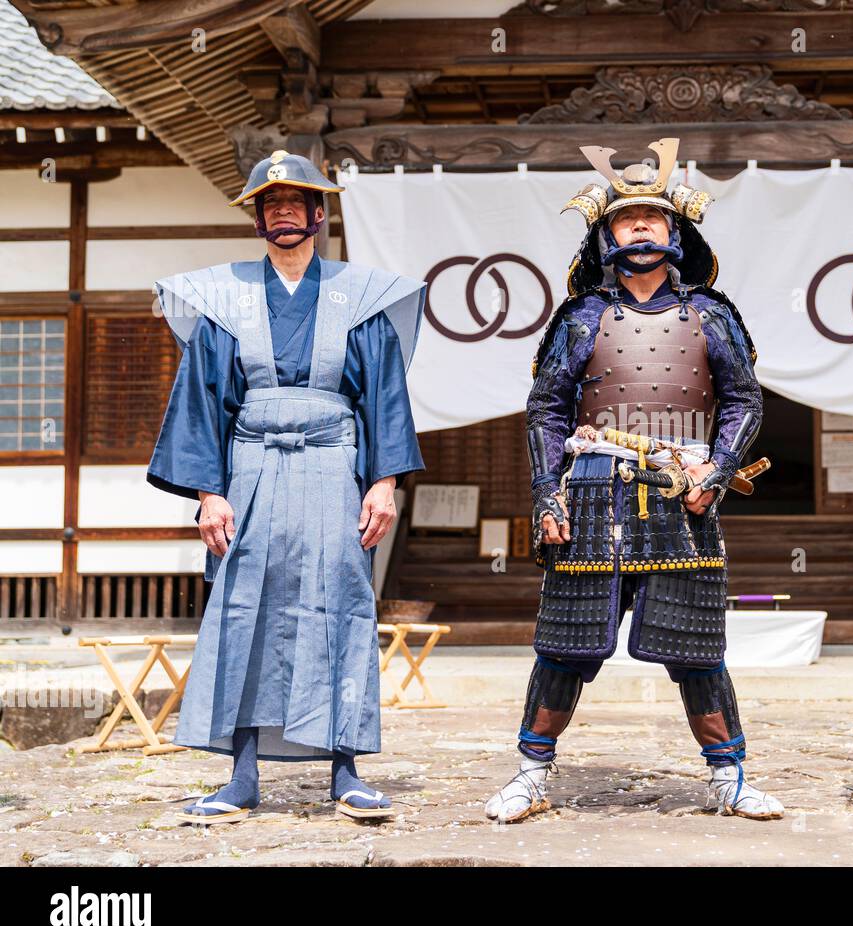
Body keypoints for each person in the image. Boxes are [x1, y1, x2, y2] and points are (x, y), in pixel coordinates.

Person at [484, 138, 783, 823]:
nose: (641, 227)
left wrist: (719, 468)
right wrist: (546, 494)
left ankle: (729, 776)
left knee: (698, 644)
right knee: (565, 641)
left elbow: (745, 400)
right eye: (626, 218)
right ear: (605, 234)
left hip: (684, 494)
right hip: (592, 491)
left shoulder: (712, 314)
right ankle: (531, 772)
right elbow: (548, 408)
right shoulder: (581, 317)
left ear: (676, 231)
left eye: (653, 217)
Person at [148, 150, 426, 824]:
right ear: (257, 219)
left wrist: (383, 482)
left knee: (341, 602)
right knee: (245, 606)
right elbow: (204, 400)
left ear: (318, 213)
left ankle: (346, 771)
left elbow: (384, 397)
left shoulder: (360, 298)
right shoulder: (225, 298)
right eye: (268, 202)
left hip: (335, 464)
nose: (281, 210)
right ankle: (240, 776)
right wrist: (208, 493)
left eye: (294, 200)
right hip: (249, 469)